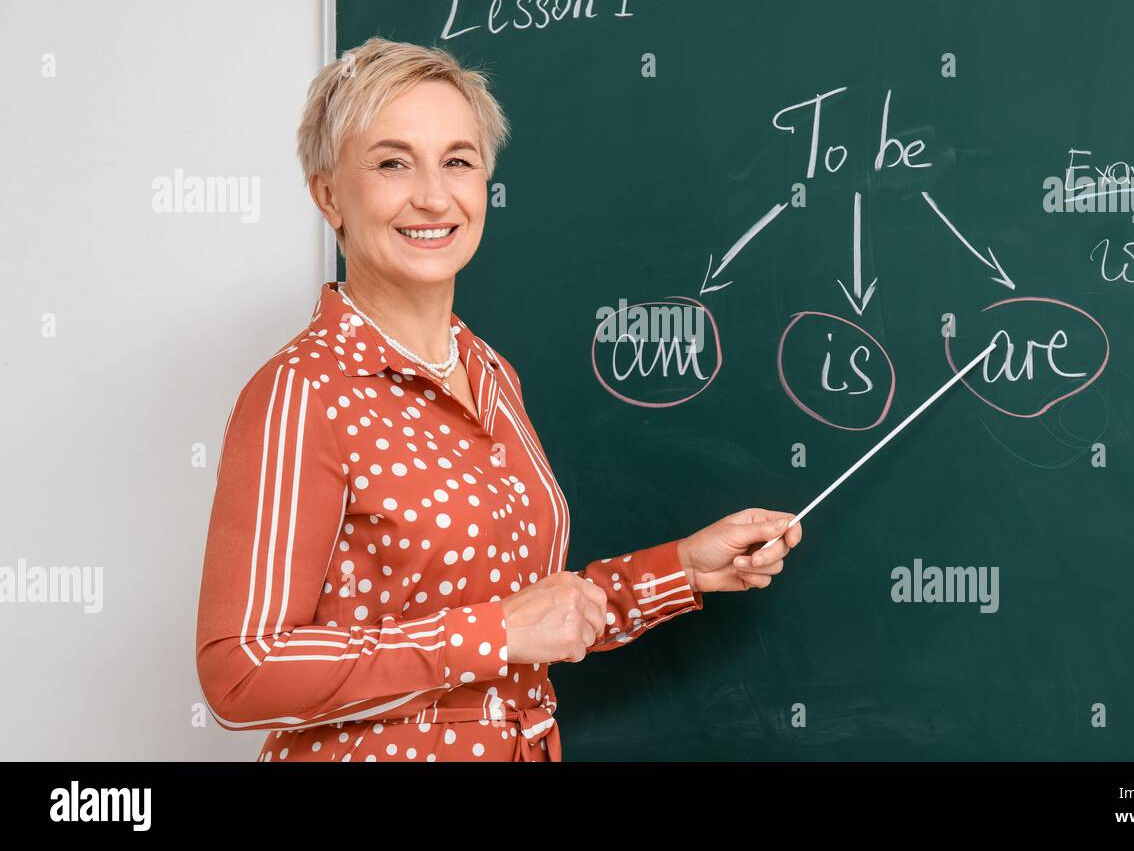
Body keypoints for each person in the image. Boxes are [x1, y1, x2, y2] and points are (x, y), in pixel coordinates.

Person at [195, 37, 803, 761]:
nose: (433, 195)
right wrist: (493, 634)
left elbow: (531, 616)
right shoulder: (305, 392)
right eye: (392, 162)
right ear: (329, 194)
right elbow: (240, 672)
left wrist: (685, 569)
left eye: (458, 161)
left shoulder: (490, 373)